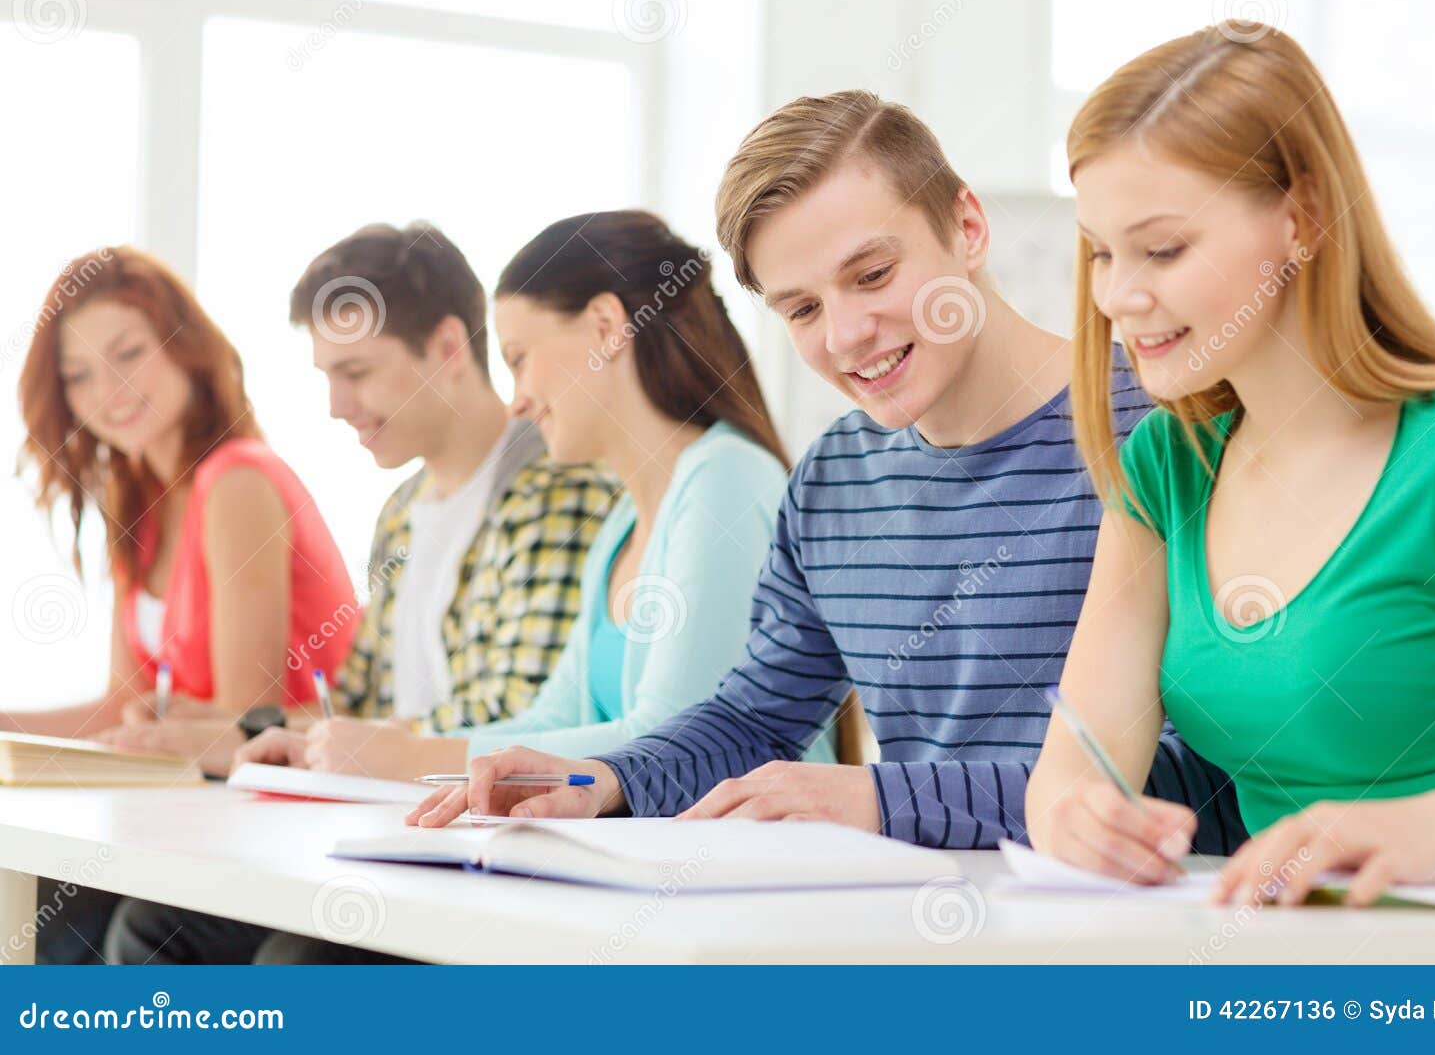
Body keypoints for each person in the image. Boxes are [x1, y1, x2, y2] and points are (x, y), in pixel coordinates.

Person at [410, 91, 1245, 855]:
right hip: (911, 921)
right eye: (802, 309)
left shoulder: (1169, 432)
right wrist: (609, 779)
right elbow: (756, 719)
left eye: (873, 274)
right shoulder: (835, 479)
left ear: (968, 227)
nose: (846, 335)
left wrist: (880, 800)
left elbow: (1197, 780)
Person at [1025, 23, 1435, 904]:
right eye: (1101, 252)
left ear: (1302, 218)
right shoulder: (1167, 468)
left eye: (1164, 248)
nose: (1116, 295)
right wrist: (1074, 817)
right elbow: (1077, 767)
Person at [102, 222, 616, 965]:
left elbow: (515, 720)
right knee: (156, 928)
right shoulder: (402, 510)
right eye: (326, 377)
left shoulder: (553, 488)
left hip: (492, 854)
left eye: (357, 371)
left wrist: (286, 741)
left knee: (295, 966)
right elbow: (360, 708)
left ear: (445, 346)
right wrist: (255, 735)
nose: (338, 404)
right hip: (399, 834)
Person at [265, 210, 834, 783]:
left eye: (518, 360)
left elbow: (676, 736)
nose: (518, 401)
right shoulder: (623, 527)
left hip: (751, 861)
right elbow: (551, 720)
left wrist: (412, 758)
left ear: (608, 328)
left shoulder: (726, 478)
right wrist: (356, 751)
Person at [10, 245, 357, 962]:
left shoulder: (235, 482)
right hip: (198, 819)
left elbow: (241, 719)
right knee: (45, 903)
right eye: (77, 376)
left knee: (93, 923)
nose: (106, 390)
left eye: (129, 353)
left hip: (281, 821)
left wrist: (154, 729)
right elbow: (125, 703)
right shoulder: (134, 505)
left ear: (187, 350)